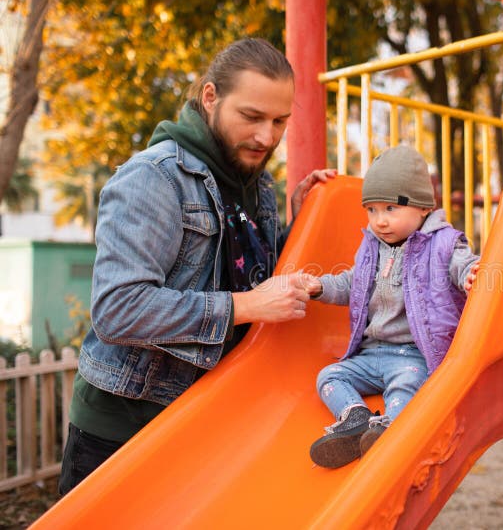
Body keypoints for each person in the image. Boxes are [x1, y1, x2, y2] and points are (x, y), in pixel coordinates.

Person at [58, 37, 335, 495]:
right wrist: (244, 305)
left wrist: (304, 223)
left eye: (280, 121)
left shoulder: (257, 184)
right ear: (210, 97)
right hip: (127, 426)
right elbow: (118, 309)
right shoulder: (154, 177)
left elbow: (247, 274)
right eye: (251, 117)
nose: (267, 137)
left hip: (210, 416)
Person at [305, 145, 478, 469]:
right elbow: (352, 283)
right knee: (329, 376)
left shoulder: (443, 243)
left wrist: (471, 275)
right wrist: (320, 288)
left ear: (423, 207)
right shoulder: (373, 246)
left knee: (405, 387)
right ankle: (355, 418)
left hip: (414, 354)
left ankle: (388, 429)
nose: (380, 221)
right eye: (372, 210)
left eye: (390, 209)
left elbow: (462, 264)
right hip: (372, 354)